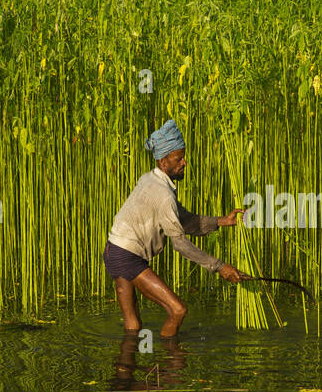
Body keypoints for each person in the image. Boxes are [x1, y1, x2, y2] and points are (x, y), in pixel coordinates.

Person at [103, 119, 243, 337]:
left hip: (114, 251)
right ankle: (171, 363)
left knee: (133, 326)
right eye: (178, 159)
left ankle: (126, 368)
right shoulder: (163, 194)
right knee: (178, 310)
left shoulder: (151, 180)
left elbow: (184, 220)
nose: (184, 163)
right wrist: (219, 266)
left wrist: (221, 221)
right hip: (126, 256)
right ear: (163, 161)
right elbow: (180, 244)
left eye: (183, 157)